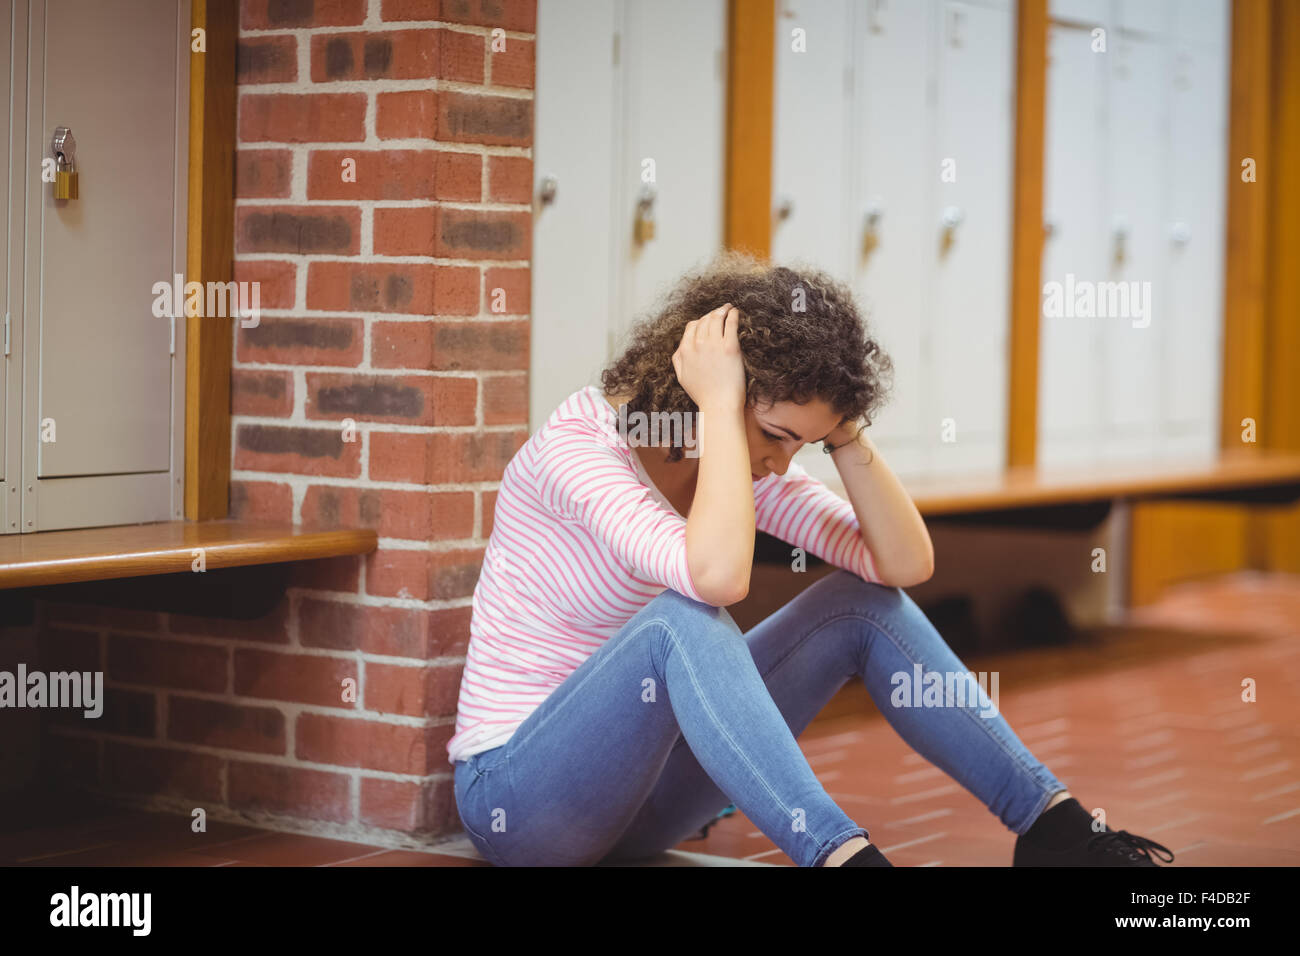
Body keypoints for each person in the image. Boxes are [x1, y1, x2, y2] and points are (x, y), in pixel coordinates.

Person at [446, 250, 1175, 868]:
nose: (779, 459)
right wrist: (726, 411)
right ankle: (840, 857)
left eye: (803, 440)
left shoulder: (747, 466)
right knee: (685, 619)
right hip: (522, 801)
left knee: (861, 603)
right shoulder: (579, 454)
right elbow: (718, 579)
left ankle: (1056, 830)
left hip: (644, 804)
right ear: (708, 393)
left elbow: (901, 562)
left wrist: (845, 434)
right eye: (774, 431)